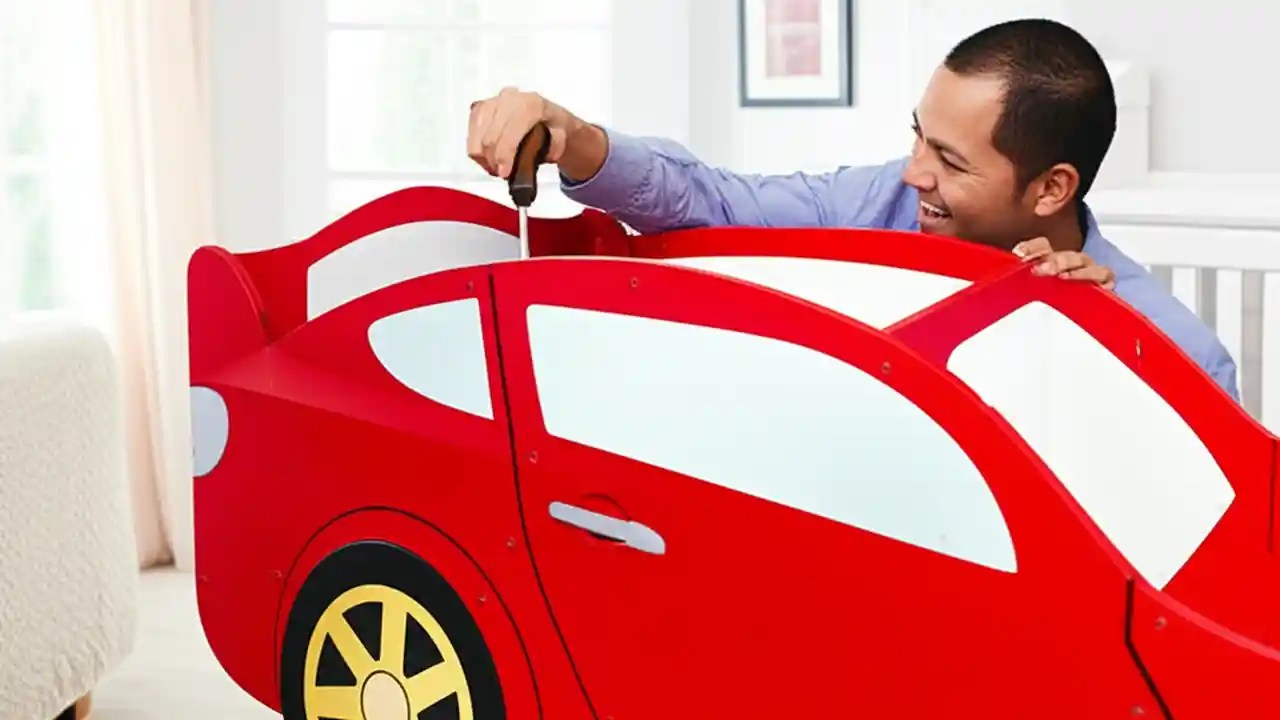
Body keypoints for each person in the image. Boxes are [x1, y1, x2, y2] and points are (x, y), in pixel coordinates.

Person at [465, 18, 1239, 401]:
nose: (913, 173)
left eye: (951, 161)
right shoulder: (877, 203)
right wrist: (574, 137)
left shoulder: (1179, 354)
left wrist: (1109, 366)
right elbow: (709, 202)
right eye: (918, 137)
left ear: (1052, 190)